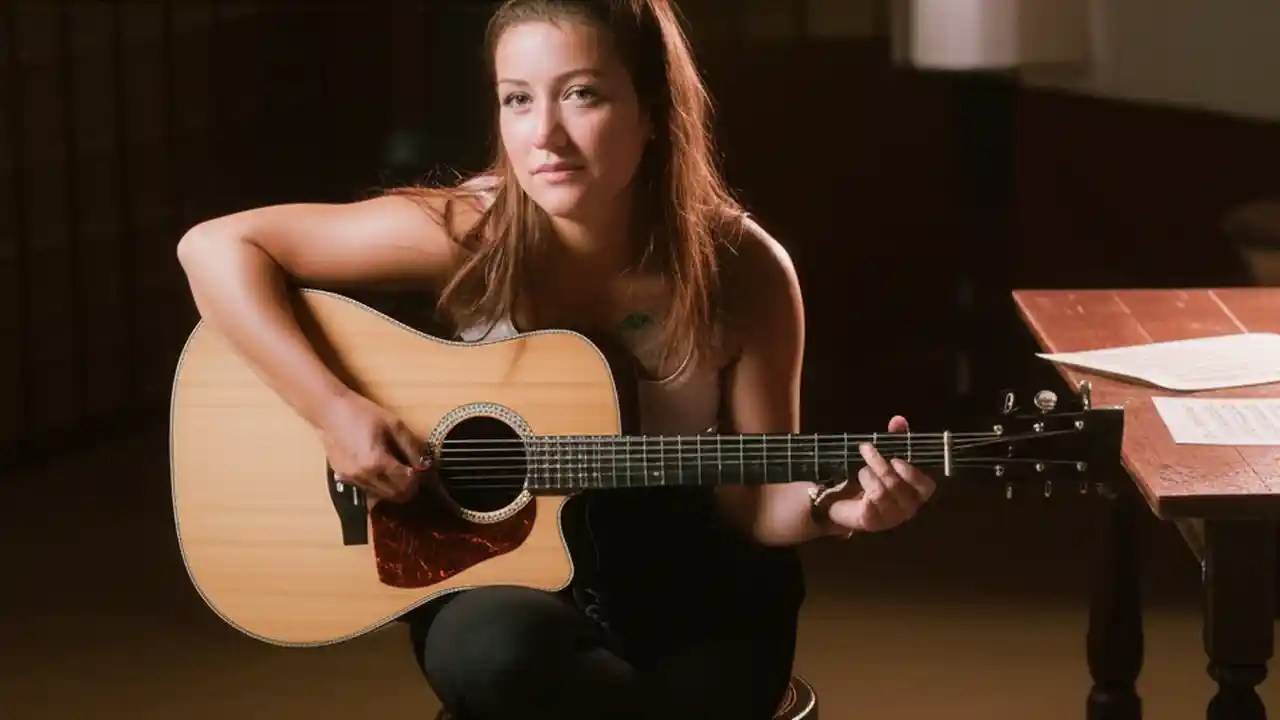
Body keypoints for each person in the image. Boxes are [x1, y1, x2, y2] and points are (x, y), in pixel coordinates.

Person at [176, 0, 938, 718]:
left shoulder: (744, 268)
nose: (544, 135)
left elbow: (753, 501)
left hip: (693, 571)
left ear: (653, 113)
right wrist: (335, 412)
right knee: (502, 657)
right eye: (517, 99)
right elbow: (213, 247)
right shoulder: (471, 231)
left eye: (581, 95)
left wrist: (838, 507)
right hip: (500, 571)